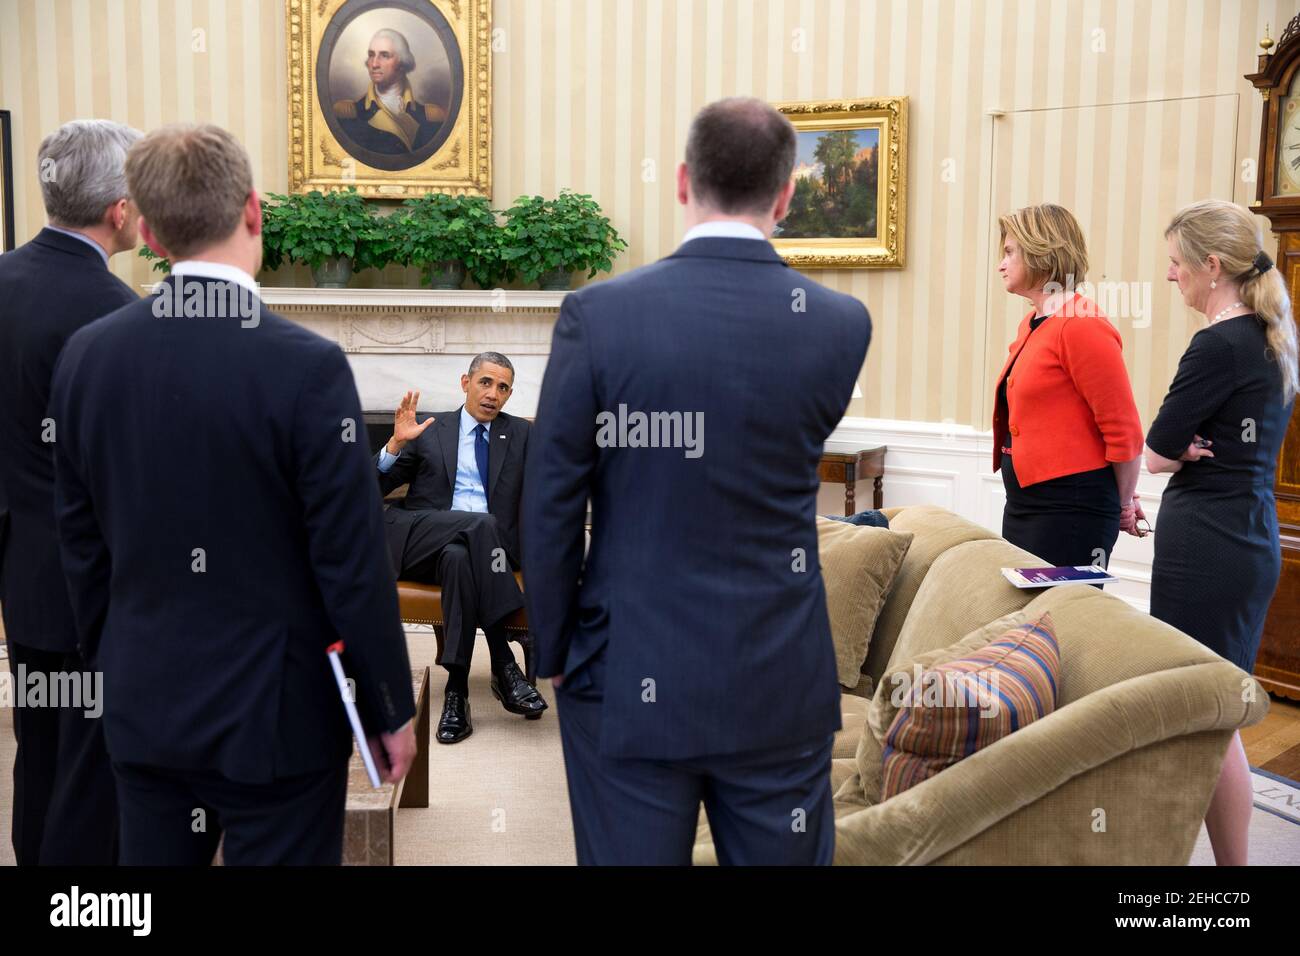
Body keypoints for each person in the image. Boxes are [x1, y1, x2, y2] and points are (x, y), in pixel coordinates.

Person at [48, 123, 417, 865]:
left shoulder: (87, 356)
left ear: (147, 229)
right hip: (278, 718)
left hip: (144, 701)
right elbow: (350, 561)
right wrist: (388, 706)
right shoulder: (308, 367)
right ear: (254, 210)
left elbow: (80, 544)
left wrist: (115, 660)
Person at [523, 97, 872, 865]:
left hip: (626, 667)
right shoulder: (842, 324)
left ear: (683, 182)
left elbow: (551, 501)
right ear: (785, 196)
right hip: (778, 675)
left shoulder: (599, 314)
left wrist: (550, 647)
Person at [0, 119, 141, 865]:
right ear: (120, 209)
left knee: (40, 753)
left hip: (22, 574)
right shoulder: (119, 317)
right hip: (98, 589)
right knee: (94, 778)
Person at [1145, 199, 1298, 866]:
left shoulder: (1217, 342)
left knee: (1204, 717)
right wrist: (1186, 446)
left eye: (1177, 263)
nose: (1170, 275)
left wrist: (1180, 449)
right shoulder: (1272, 337)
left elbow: (1154, 450)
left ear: (1212, 266)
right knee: (1215, 712)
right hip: (1248, 539)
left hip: (1205, 547)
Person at [376, 356, 546, 746]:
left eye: (503, 388)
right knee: (479, 524)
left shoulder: (521, 434)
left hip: (481, 556)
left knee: (459, 556)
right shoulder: (431, 430)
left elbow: (551, 493)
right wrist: (394, 444)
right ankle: (504, 663)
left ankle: (457, 692)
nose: (493, 394)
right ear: (465, 382)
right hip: (421, 539)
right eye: (486, 382)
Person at [991, 203, 1146, 570]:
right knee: (1026, 621)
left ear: (1041, 252)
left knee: (1058, 623)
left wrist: (1123, 504)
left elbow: (1124, 430)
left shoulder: (1081, 323)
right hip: (1027, 504)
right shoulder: (1034, 320)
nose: (1001, 264)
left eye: (1010, 252)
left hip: (1069, 510)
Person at [334, 29, 447, 156]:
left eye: (384, 55)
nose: (374, 64)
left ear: (402, 62)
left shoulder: (431, 117)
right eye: (371, 55)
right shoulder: (347, 114)